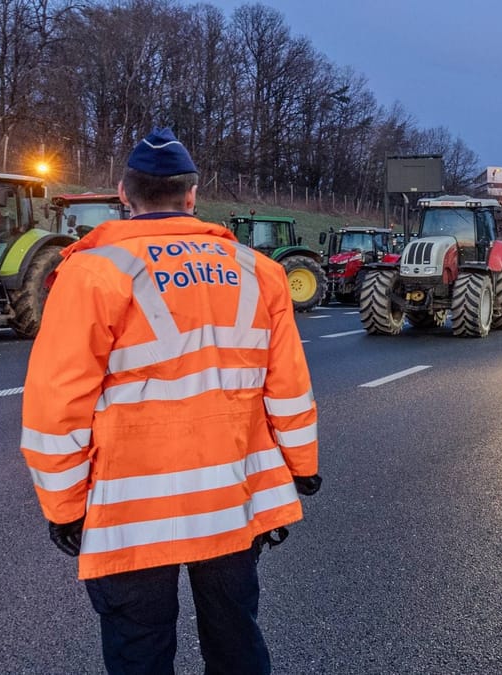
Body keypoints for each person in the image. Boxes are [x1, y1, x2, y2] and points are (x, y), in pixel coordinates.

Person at [20, 127, 321, 675]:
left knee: (141, 651)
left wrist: (64, 507)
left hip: (130, 512)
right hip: (232, 502)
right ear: (192, 195)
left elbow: (56, 405)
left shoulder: (91, 273)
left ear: (123, 195)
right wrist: (301, 471)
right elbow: (289, 391)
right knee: (235, 641)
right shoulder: (261, 273)